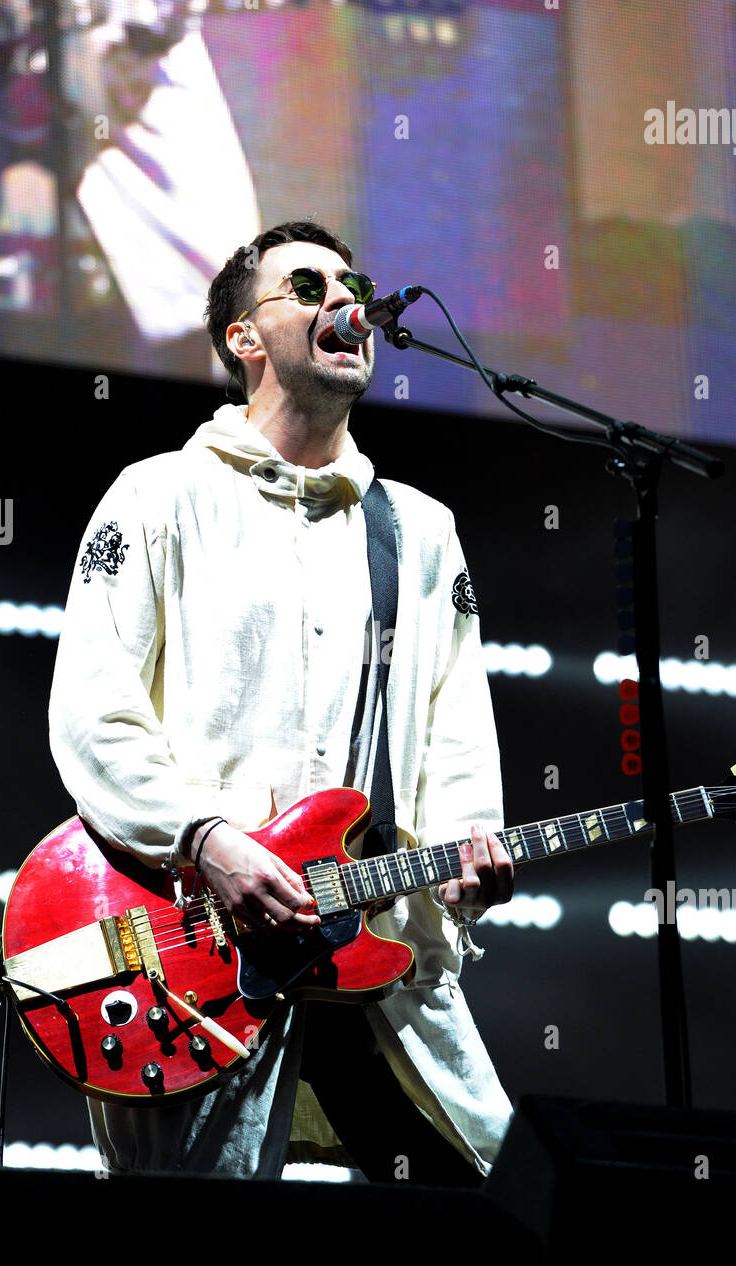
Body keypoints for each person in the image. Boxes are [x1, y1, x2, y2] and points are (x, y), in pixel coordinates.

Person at [49, 217, 515, 1185]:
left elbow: (454, 727)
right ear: (243, 339)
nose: (348, 302)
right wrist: (206, 839)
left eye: (355, 284)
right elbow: (93, 706)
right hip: (197, 958)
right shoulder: (157, 495)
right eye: (308, 287)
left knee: (506, 1209)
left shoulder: (419, 532)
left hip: (374, 944)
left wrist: (469, 841)